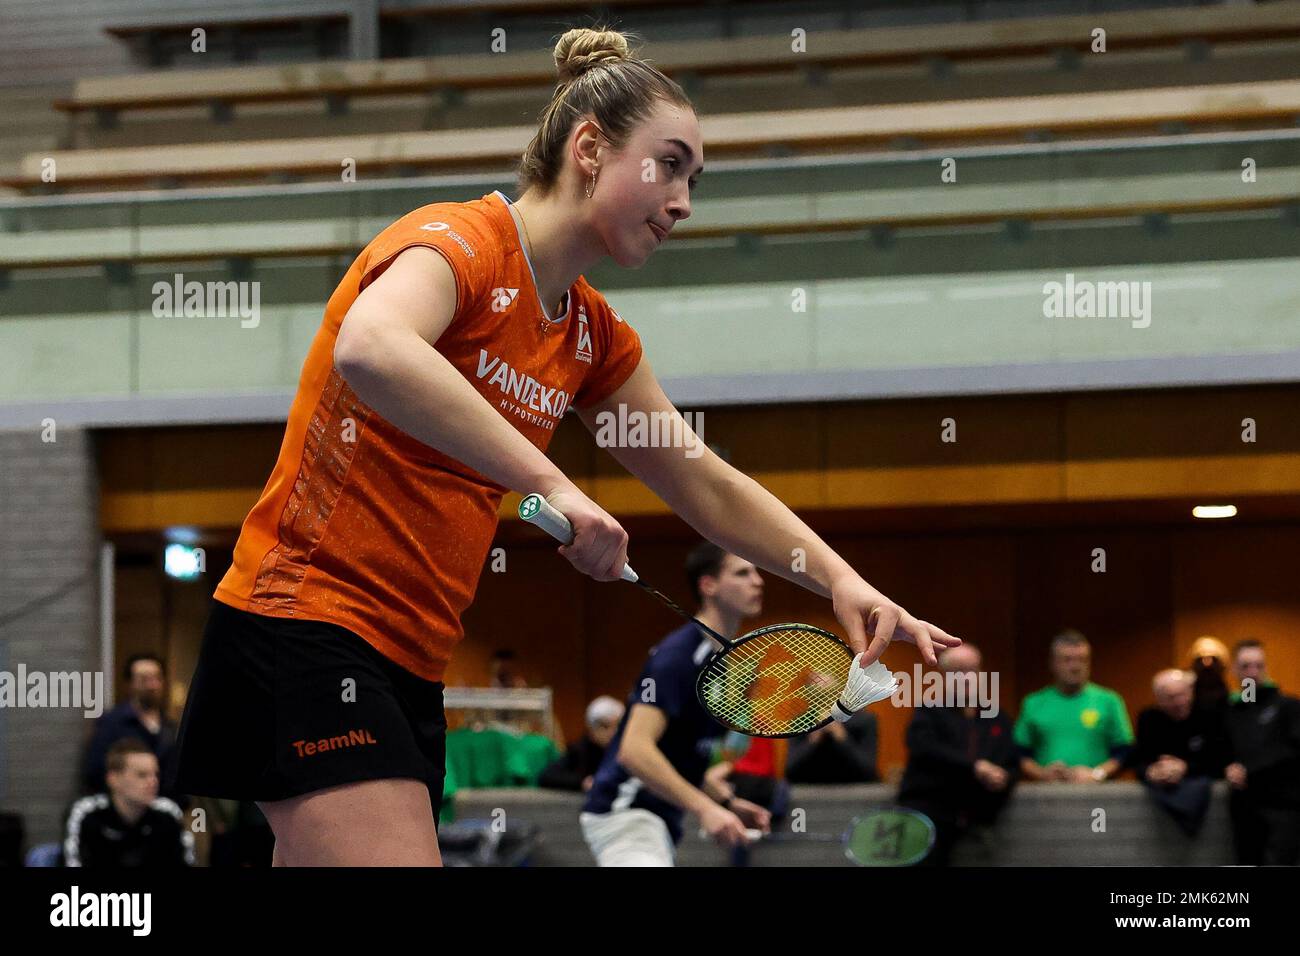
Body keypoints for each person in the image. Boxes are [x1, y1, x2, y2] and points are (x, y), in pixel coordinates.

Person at [171, 26, 958, 866]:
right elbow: (371, 347)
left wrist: (838, 577)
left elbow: (704, 481)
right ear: (590, 148)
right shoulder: (458, 244)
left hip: (411, 658)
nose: (686, 200)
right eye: (671, 165)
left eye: (696, 178)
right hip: (305, 619)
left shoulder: (589, 334)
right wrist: (554, 481)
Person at [580, 544, 776, 865]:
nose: (758, 581)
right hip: (626, 814)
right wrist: (705, 808)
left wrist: (725, 801)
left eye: (756, 572)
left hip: (657, 820)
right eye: (743, 572)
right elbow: (634, 750)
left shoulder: (721, 664)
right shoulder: (679, 657)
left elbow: (681, 756)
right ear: (708, 585)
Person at [897, 643, 1019, 865]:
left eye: (972, 670)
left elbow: (1011, 760)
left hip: (980, 821)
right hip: (931, 817)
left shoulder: (997, 717)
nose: (966, 678)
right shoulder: (929, 712)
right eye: (957, 672)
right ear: (943, 677)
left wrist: (1004, 777)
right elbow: (925, 749)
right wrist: (975, 767)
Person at [1015, 630, 1133, 783]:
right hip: (1047, 794)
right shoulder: (1033, 702)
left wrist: (1096, 774)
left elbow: (1124, 752)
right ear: (1052, 663)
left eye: (1082, 660)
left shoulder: (1109, 700)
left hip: (1096, 793)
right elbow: (1019, 754)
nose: (1075, 666)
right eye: (1067, 660)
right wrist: (1042, 774)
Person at [1223, 640, 1300, 865]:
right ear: (1235, 670)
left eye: (1259, 665)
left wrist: (1249, 768)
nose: (1253, 672)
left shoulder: (1288, 706)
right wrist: (1229, 767)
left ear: (1266, 668)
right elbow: (1226, 748)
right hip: (1244, 806)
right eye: (1246, 666)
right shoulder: (1233, 710)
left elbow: (1292, 748)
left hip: (1282, 805)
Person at [65, 739, 194, 867]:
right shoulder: (86, 813)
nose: (153, 782)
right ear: (113, 779)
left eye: (156, 775)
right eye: (142, 775)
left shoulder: (168, 813)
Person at [1129, 668, 1228, 836]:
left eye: (1182, 695)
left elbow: (1221, 761)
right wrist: (1150, 772)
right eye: (1170, 698)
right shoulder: (1149, 719)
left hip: (1208, 807)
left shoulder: (1210, 715)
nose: (1179, 702)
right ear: (1158, 700)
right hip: (1156, 814)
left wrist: (1184, 768)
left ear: (1191, 692)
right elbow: (1136, 759)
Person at [83, 653, 180, 802]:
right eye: (144, 679)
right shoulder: (111, 723)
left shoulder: (171, 727)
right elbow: (95, 771)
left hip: (163, 813)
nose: (151, 685)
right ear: (130, 683)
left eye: (157, 678)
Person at [538, 695, 623, 791]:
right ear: (591, 728)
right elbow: (547, 776)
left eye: (618, 726)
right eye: (605, 727)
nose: (613, 732)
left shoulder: (625, 752)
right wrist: (582, 782)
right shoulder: (579, 751)